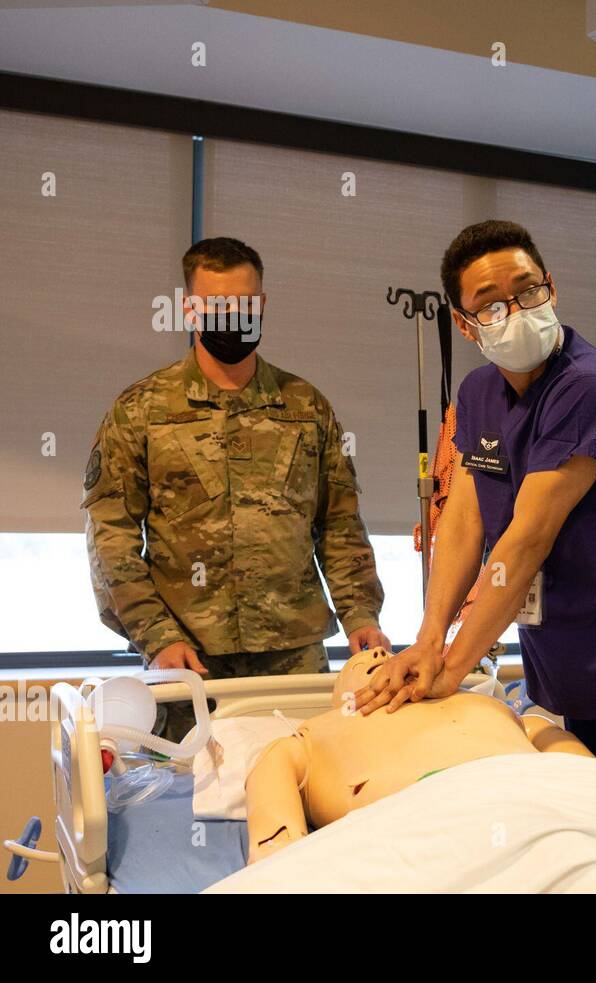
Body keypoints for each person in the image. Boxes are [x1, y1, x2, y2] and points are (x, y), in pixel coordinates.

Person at [356, 220, 596, 813]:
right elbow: (462, 522)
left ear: (552, 288)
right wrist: (429, 637)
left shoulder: (591, 387)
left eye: (527, 289)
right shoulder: (478, 394)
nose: (515, 310)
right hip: (568, 678)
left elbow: (526, 540)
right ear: (464, 325)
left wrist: (453, 667)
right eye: (489, 305)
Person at [83, 237, 388, 741]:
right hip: (188, 662)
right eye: (217, 305)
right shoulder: (142, 409)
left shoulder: (306, 406)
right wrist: (156, 636)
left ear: (262, 304)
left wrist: (360, 615)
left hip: (295, 660)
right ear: (189, 308)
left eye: (244, 304)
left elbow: (338, 522)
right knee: (193, 803)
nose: (232, 316)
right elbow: (109, 534)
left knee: (311, 794)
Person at [245, 648, 592, 863]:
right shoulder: (319, 729)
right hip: (418, 813)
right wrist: (278, 852)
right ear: (340, 697)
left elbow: (572, 759)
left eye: (388, 654)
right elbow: (271, 777)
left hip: (542, 798)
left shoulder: (487, 704)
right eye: (362, 662)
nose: (380, 655)